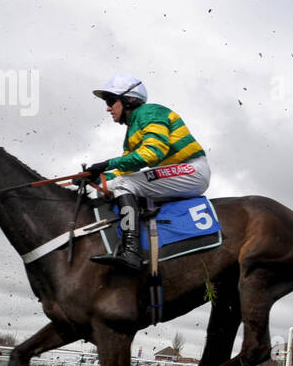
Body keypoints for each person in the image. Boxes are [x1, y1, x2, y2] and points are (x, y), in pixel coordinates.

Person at [84, 75, 210, 271]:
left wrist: (107, 163)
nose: (108, 108)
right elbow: (125, 169)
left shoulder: (149, 112)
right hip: (177, 172)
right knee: (109, 187)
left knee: (125, 185)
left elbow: (152, 153)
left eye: (110, 101)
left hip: (191, 170)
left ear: (128, 100)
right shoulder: (133, 128)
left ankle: (131, 252)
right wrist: (95, 178)